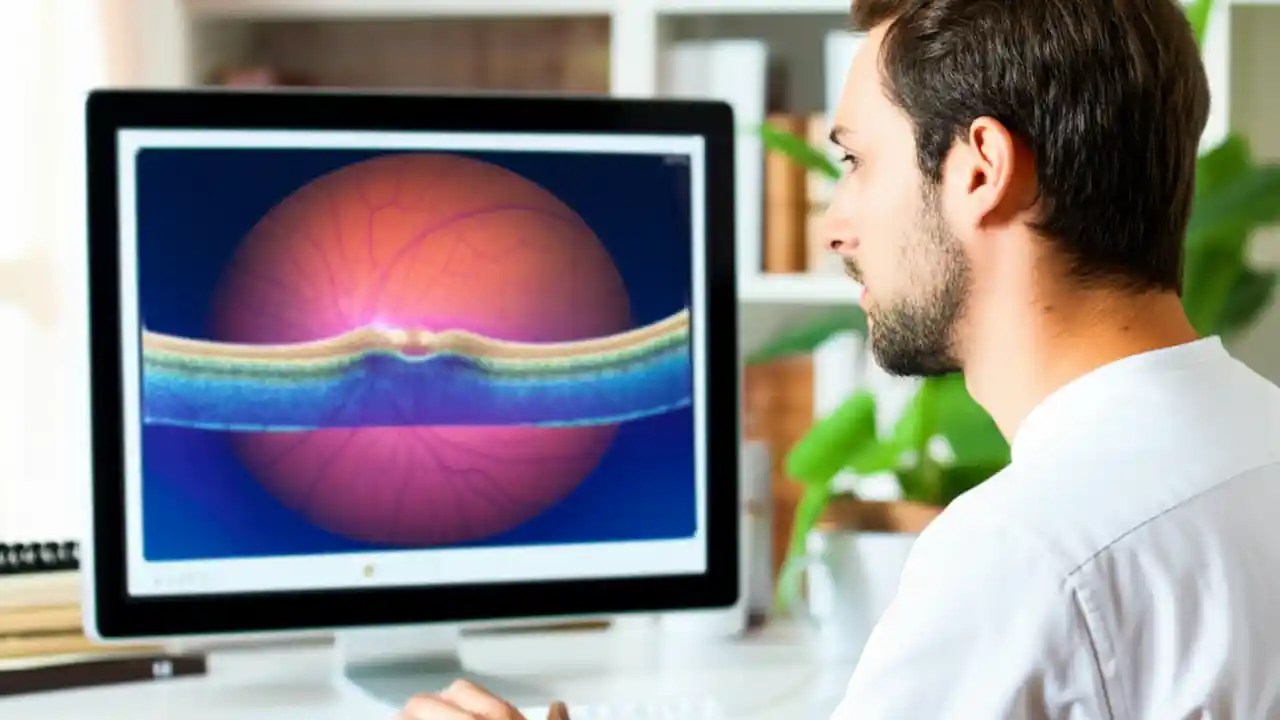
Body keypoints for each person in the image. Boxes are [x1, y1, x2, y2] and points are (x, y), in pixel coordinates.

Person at [399, 0, 1280, 717]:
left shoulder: (1023, 556)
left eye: (857, 161)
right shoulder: (1258, 441)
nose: (833, 224)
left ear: (980, 170)